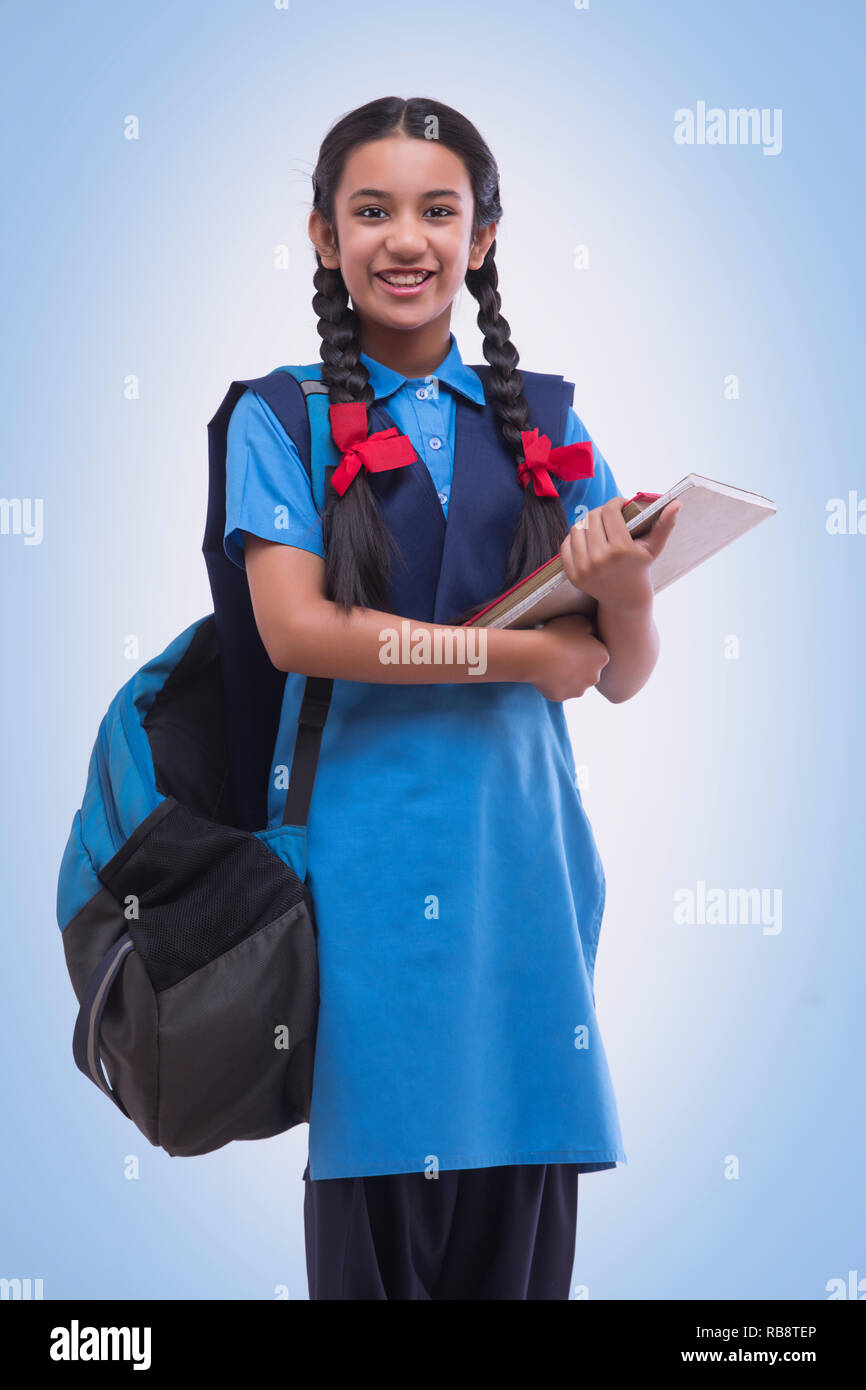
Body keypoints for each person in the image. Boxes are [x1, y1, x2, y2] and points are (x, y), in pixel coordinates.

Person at [222, 96, 680, 1301]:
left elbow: (620, 671)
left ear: (481, 237)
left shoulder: (552, 422)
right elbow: (296, 628)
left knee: (521, 1193)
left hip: (523, 871)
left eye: (438, 209)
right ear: (322, 236)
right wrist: (519, 658)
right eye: (370, 210)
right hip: (361, 874)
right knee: (377, 1193)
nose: (404, 237)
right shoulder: (278, 419)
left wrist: (622, 594)